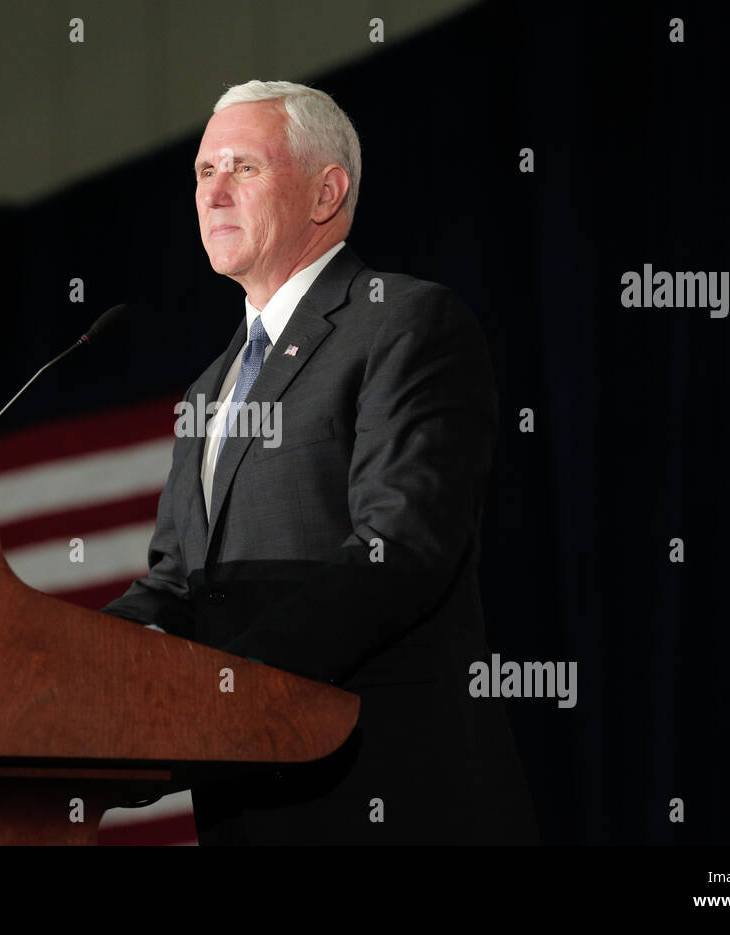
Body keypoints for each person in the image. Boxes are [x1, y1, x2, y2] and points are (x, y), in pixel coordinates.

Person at [102, 79, 537, 845]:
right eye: (204, 173)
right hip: (246, 810)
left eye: (244, 168)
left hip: (385, 798)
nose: (214, 193)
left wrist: (221, 687)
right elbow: (176, 585)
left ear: (325, 192)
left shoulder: (403, 323)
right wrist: (61, 666)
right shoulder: (211, 386)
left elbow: (397, 550)